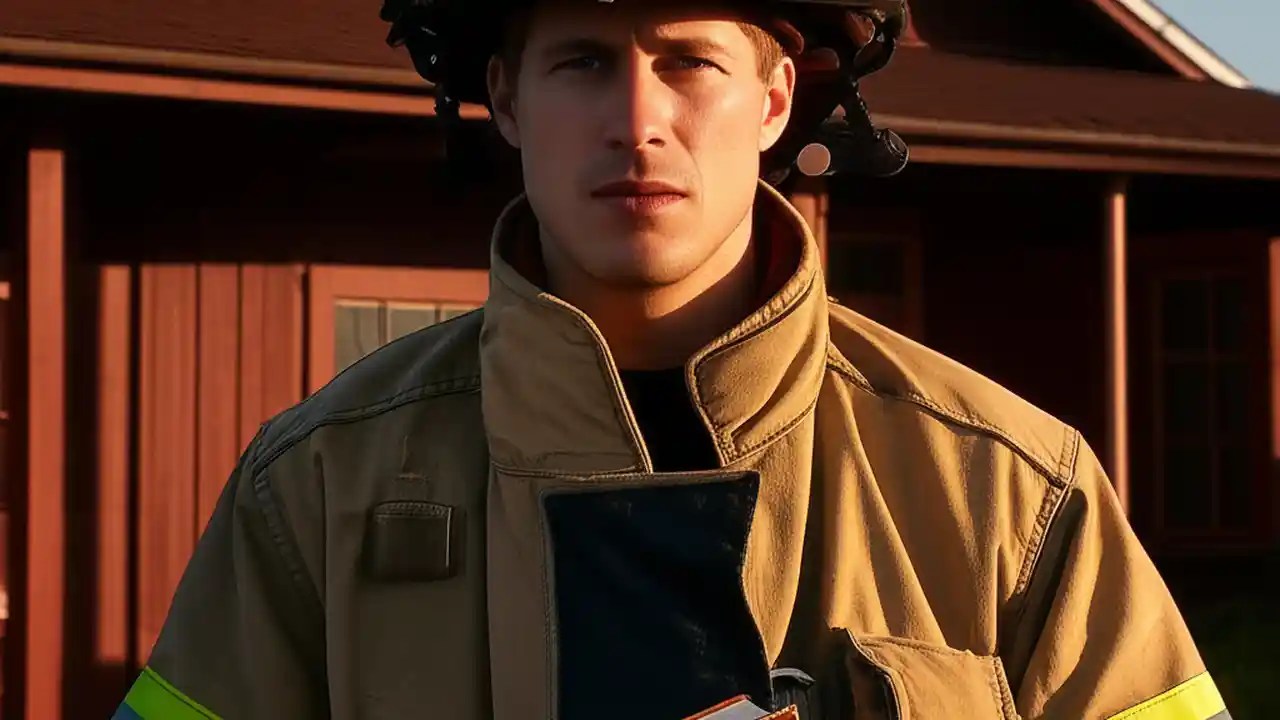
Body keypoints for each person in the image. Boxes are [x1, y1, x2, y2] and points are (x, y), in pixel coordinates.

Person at [113, 1, 1229, 718]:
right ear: (505, 97)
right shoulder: (314, 487)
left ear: (775, 101)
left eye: (689, 60)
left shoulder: (1011, 493)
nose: (636, 120)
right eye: (583, 62)